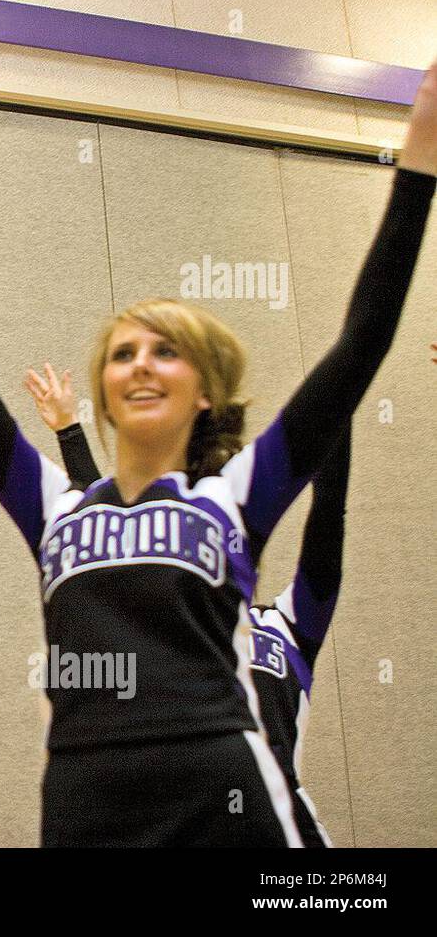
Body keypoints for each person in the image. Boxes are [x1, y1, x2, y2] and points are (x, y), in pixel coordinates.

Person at [0, 61, 436, 845]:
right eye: (122, 354)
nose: (141, 364)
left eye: (165, 351)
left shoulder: (232, 500)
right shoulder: (54, 507)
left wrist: (419, 166)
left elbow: (360, 346)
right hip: (83, 793)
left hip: (221, 786)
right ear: (104, 394)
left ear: (205, 390)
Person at [24, 363, 346, 846]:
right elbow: (114, 533)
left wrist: (337, 410)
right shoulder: (163, 612)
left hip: (272, 821)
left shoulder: (289, 625)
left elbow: (325, 531)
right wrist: (70, 431)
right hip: (176, 818)